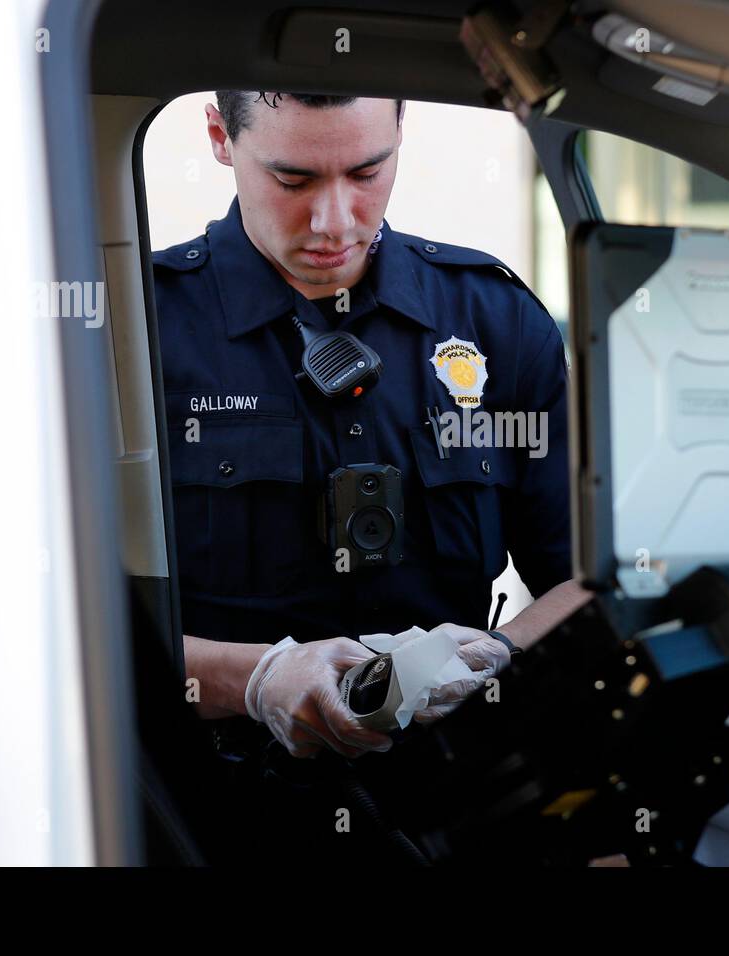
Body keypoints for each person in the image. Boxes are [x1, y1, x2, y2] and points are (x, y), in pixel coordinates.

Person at [153, 92, 588, 761]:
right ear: (219, 136)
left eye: (365, 173)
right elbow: (69, 622)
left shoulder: (494, 322)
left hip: (454, 797)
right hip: (210, 808)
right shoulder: (143, 331)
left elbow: (588, 581)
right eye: (292, 179)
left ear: (399, 132)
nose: (334, 220)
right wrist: (252, 681)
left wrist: (500, 652)